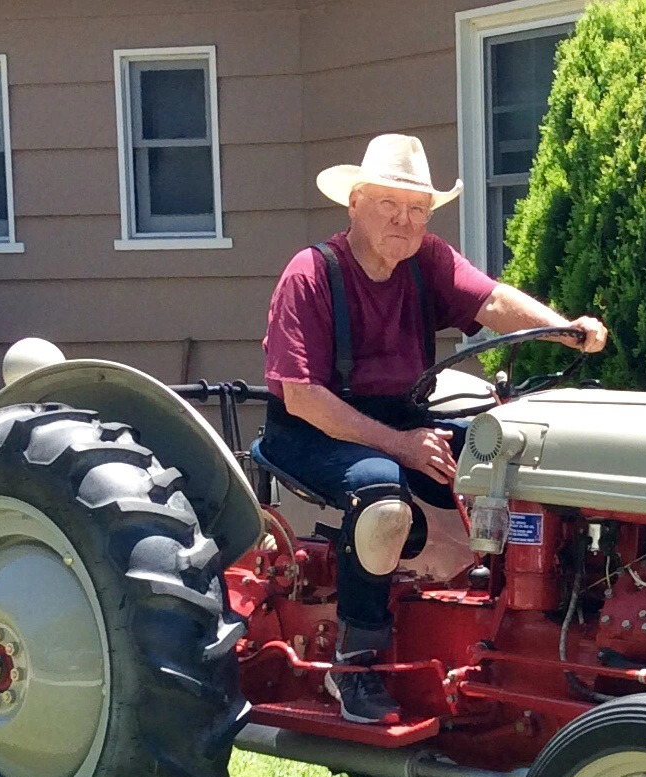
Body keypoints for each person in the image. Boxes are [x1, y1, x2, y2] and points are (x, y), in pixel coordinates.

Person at [260, 133, 608, 724]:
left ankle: (531, 623)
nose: (404, 219)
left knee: (512, 452)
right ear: (356, 203)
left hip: (403, 417)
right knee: (382, 501)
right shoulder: (312, 274)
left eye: (417, 209)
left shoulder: (427, 264)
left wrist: (563, 328)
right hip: (310, 430)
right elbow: (303, 397)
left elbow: (492, 301)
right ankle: (356, 664)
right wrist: (400, 446)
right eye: (390, 205)